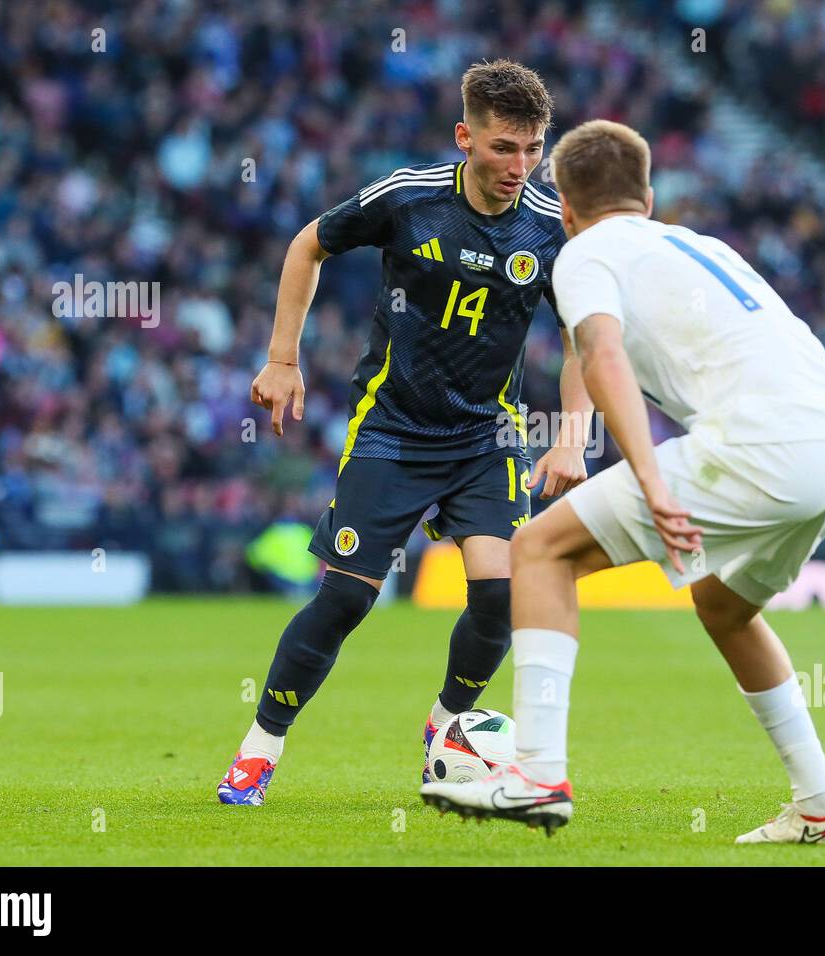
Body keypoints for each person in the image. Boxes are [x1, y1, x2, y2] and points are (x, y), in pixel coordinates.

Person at [420, 120, 825, 842]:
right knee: (724, 606)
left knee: (538, 551)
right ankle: (820, 807)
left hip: (759, 449)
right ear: (648, 195)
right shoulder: (710, 251)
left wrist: (647, 475)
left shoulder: (584, 253)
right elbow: (817, 369)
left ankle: (536, 775)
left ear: (566, 210)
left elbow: (602, 358)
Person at [218, 61, 592, 805]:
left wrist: (574, 432)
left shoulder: (552, 228)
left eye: (532, 148)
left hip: (487, 436)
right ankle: (258, 750)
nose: (519, 166)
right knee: (346, 600)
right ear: (465, 138)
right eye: (502, 147)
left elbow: (583, 338)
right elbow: (308, 245)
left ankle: (448, 729)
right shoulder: (408, 198)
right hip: (392, 427)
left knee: (499, 596)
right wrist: (282, 359)